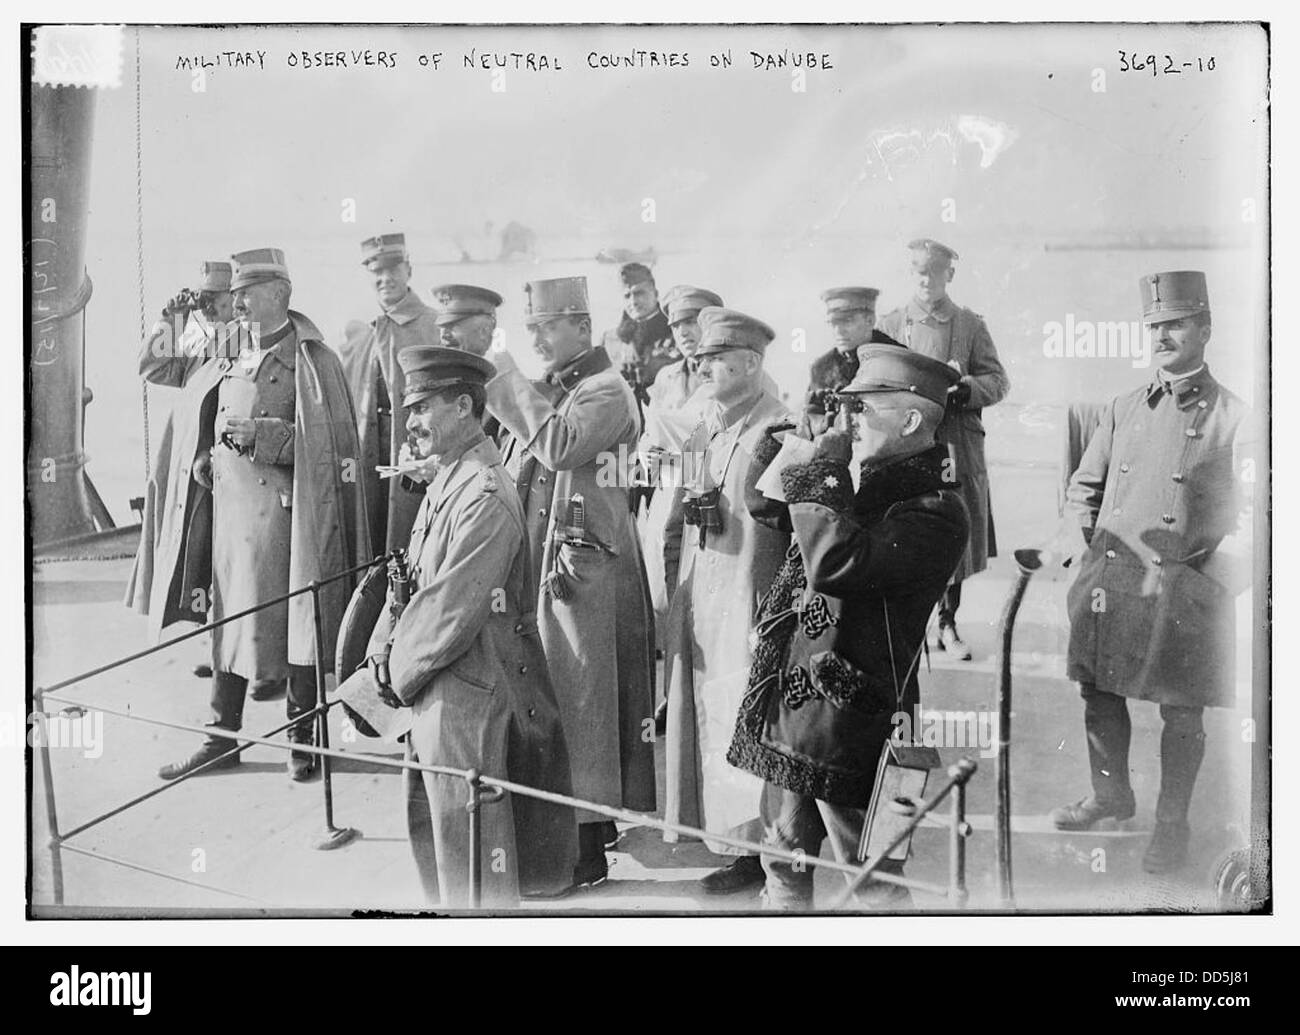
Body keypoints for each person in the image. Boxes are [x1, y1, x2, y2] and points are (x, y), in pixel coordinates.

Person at [727, 344, 970, 910]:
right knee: (783, 858)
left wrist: (827, 468)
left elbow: (836, 563)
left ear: (911, 420)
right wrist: (784, 445)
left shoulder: (935, 510)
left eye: (865, 409)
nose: (851, 420)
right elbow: (770, 511)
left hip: (862, 723)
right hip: (801, 715)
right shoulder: (869, 482)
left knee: (874, 875)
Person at [336, 345, 579, 907]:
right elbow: (409, 587)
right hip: (437, 689)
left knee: (474, 858)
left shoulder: (484, 494)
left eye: (423, 408)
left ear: (466, 407)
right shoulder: (451, 478)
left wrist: (382, 683)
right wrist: (377, 665)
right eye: (410, 409)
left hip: (471, 697)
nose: (411, 422)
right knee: (439, 843)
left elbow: (449, 610)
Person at [1050, 271, 1255, 875]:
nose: (1163, 336)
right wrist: (1079, 552)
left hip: (1184, 590)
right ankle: (1111, 794)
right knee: (1099, 694)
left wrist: (1212, 583)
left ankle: (1172, 824)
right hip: (1113, 582)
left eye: (1176, 324)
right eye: (1155, 326)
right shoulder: (1123, 408)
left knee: (1181, 714)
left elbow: (1255, 520)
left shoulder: (1236, 419)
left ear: (1205, 330)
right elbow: (1084, 488)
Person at [149, 247, 370, 782]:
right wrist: (173, 320)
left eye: (248, 292)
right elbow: (162, 367)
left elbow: (335, 447)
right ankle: (221, 738)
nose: (238, 301)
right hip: (231, 518)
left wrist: (266, 437)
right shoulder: (228, 346)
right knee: (228, 624)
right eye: (237, 293)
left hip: (289, 520)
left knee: (298, 626)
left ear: (280, 294)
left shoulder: (313, 359)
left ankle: (304, 742)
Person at [488, 275, 657, 886]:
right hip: (570, 563)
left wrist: (502, 378)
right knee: (576, 699)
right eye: (530, 329)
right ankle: (589, 828)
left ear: (583, 329)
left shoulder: (605, 391)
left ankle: (584, 852)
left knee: (583, 703)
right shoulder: (571, 386)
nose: (535, 338)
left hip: (586, 570)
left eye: (546, 327)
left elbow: (559, 446)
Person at [660, 307, 791, 895]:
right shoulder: (700, 426)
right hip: (702, 596)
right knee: (712, 721)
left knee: (746, 720)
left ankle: (763, 856)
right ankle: (734, 844)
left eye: (717, 359)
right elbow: (679, 511)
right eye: (703, 357)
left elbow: (798, 536)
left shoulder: (781, 432)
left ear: (752, 364)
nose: (703, 365)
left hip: (749, 599)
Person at [878, 240, 1010, 660]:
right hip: (907, 445)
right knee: (909, 529)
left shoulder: (969, 325)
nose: (925, 279)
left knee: (953, 532)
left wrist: (967, 386)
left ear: (948, 275)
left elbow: (998, 381)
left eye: (934, 271)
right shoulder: (893, 323)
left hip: (955, 445)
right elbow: (876, 379)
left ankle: (948, 621)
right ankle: (912, 622)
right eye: (917, 270)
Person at [125, 261, 238, 684]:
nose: (208, 307)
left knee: (228, 568)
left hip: (226, 473)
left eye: (217, 299)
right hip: (194, 478)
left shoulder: (245, 342)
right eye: (203, 299)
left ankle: (248, 659)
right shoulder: (201, 341)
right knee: (202, 566)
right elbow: (154, 369)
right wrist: (170, 320)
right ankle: (217, 646)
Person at [338, 233, 441, 556]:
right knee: (368, 537)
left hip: (415, 455)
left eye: (394, 268)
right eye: (376, 272)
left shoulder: (433, 326)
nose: (385, 278)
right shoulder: (358, 333)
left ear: (408, 270)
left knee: (411, 536)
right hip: (368, 455)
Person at [805, 286, 903, 408]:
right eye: (833, 323)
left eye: (847, 321)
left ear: (870, 321)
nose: (839, 331)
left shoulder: (897, 359)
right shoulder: (822, 369)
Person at [601, 261, 680, 410]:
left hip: (666, 417)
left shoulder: (676, 332)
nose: (633, 301)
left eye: (639, 293)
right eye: (627, 296)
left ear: (656, 294)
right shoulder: (610, 340)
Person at [430, 283, 505, 439]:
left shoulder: (502, 391)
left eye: (452, 326)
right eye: (442, 327)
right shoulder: (442, 385)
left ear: (484, 332)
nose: (443, 336)